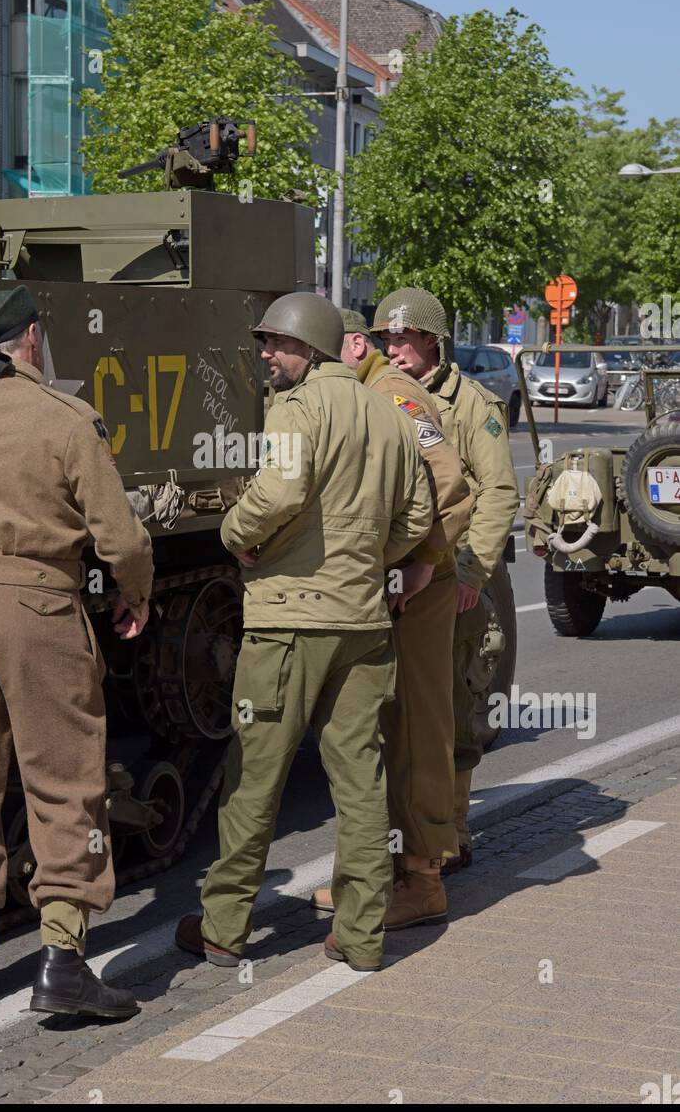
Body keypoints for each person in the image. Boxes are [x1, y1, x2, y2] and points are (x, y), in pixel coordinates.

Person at [175, 291, 434, 973]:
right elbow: (416, 518)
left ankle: (224, 928)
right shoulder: (389, 412)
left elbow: (282, 490)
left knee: (254, 776)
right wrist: (367, 562)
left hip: (289, 621)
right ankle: (361, 935)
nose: (265, 355)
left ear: (310, 349)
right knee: (359, 780)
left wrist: (235, 535)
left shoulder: (297, 406)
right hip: (362, 621)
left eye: (276, 344)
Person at [0, 283, 153, 1017]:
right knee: (63, 777)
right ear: (33, 339)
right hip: (39, 608)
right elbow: (120, 539)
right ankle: (62, 960)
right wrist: (134, 591)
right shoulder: (68, 420)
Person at [311, 308, 472, 928]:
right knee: (374, 728)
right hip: (386, 583)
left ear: (354, 345)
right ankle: (378, 873)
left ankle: (423, 880)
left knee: (415, 729)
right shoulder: (361, 392)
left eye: (325, 354)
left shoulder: (392, 396)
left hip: (416, 588)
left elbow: (450, 484)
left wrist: (427, 561)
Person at [374, 288, 519, 870]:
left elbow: (500, 491)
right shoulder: (382, 396)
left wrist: (469, 572)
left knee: (453, 709)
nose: (394, 348)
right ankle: (404, 838)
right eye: (386, 338)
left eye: (403, 338)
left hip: (454, 575)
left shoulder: (473, 405)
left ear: (433, 340)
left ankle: (451, 836)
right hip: (400, 577)